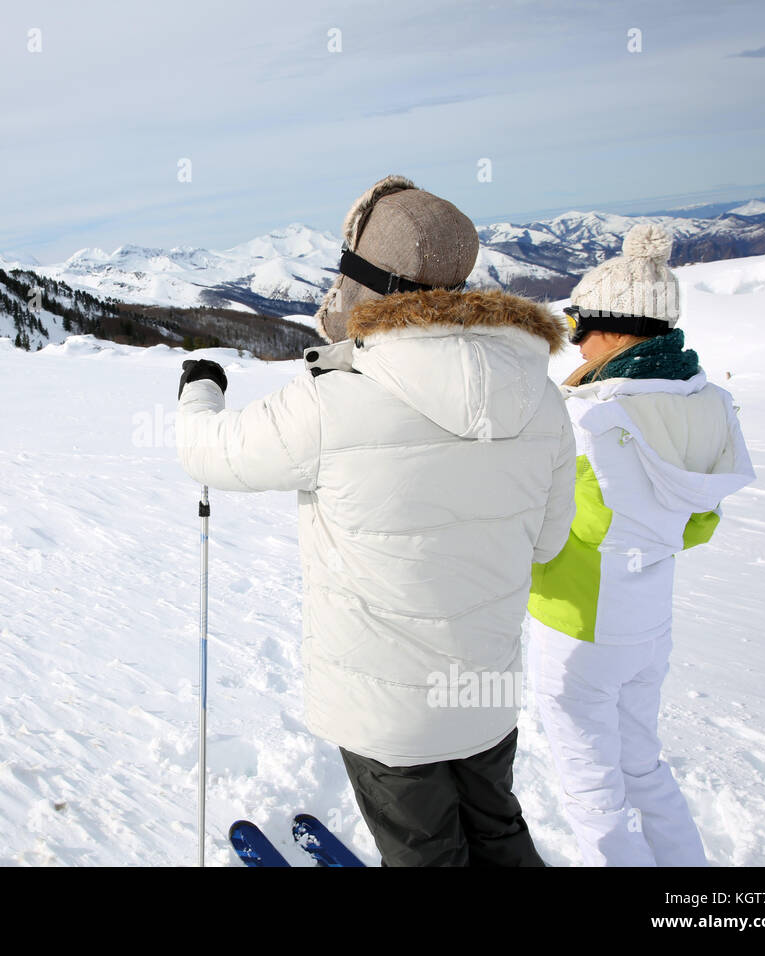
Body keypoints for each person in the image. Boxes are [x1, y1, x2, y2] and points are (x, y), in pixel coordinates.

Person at [176, 175, 576, 866]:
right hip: (485, 688)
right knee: (499, 833)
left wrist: (200, 390)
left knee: (425, 850)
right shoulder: (537, 394)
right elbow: (549, 540)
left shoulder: (335, 401)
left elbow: (212, 454)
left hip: (386, 709)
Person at [527, 224, 756, 866]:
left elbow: (564, 527)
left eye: (580, 324)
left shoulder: (591, 417)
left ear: (618, 327)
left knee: (591, 784)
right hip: (649, 622)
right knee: (642, 766)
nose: (573, 341)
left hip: (578, 625)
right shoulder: (708, 401)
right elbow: (699, 523)